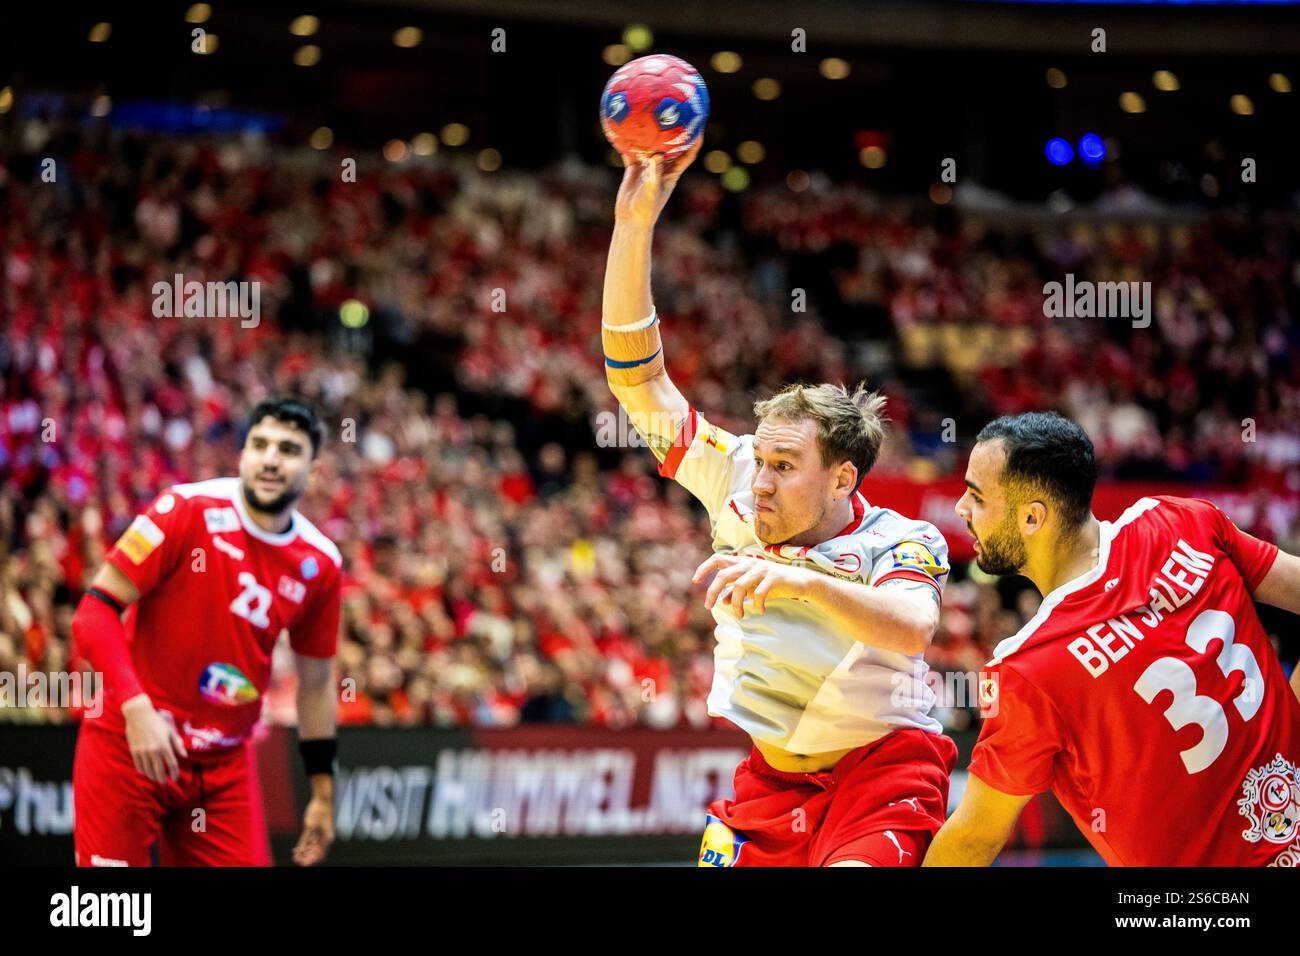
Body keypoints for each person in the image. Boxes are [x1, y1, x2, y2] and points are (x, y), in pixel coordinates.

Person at [602, 142, 957, 867]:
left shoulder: (902, 538)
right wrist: (634, 226)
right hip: (768, 785)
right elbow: (639, 385)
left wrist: (802, 580)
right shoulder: (732, 478)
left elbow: (914, 627)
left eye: (784, 466)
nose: (760, 481)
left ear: (842, 481)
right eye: (761, 459)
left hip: (884, 773)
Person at [925, 412, 1300, 866]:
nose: (962, 508)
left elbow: (973, 838)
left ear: (1031, 517)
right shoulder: (1183, 520)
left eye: (977, 496)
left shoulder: (1029, 668)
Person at [71, 398, 342, 866]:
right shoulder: (185, 508)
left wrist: (322, 790)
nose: (271, 459)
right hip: (129, 741)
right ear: (242, 456)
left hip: (222, 766)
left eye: (288, 449)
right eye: (259, 445)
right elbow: (93, 612)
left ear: (313, 471)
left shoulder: (320, 563)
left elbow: (316, 683)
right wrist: (137, 710)